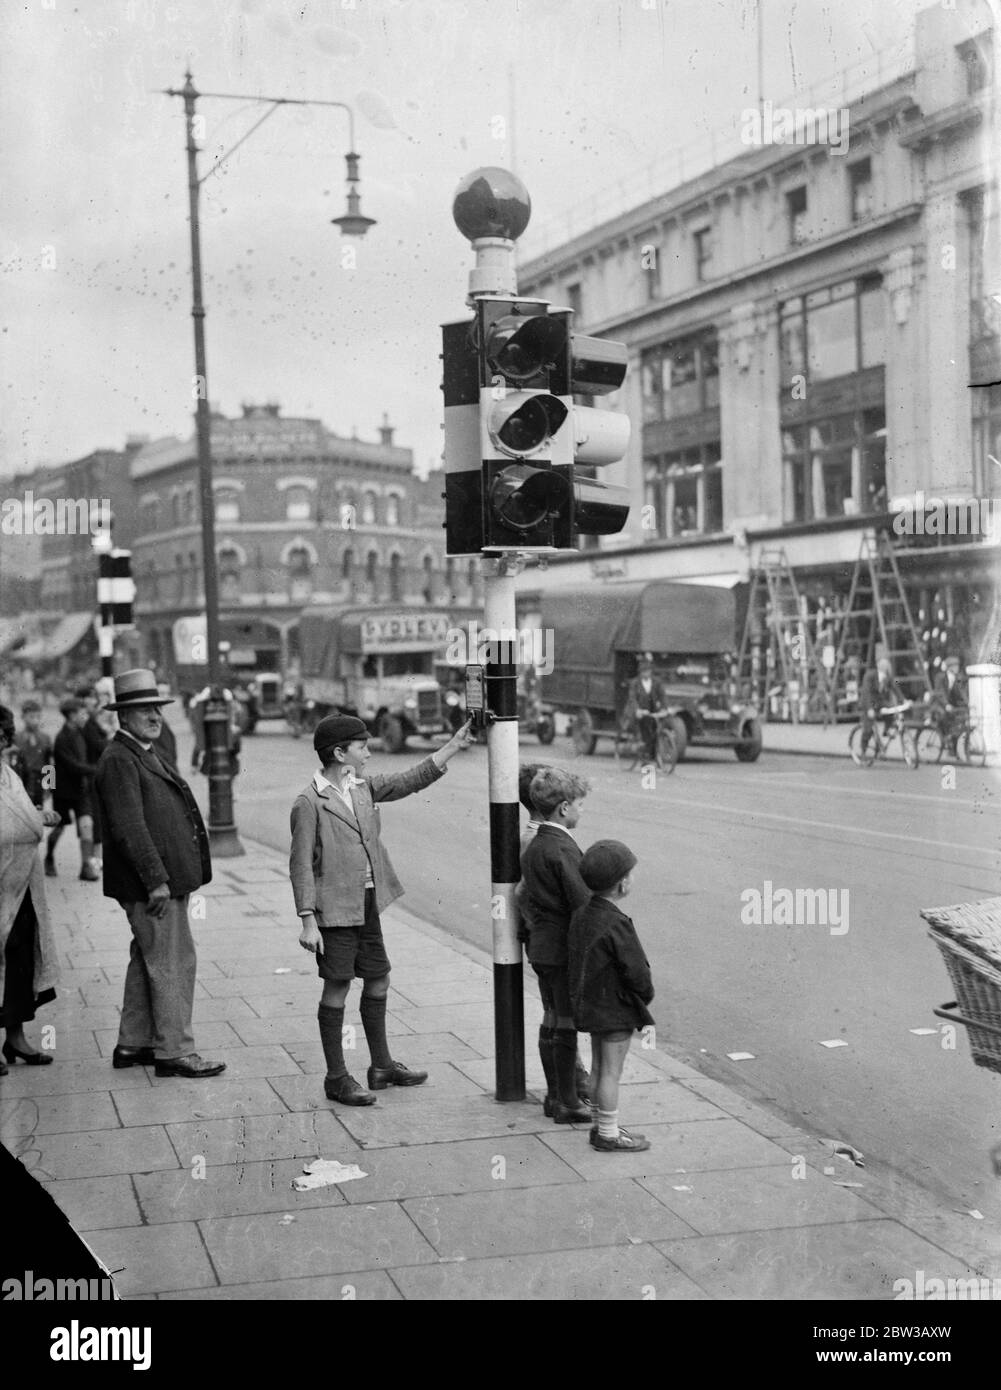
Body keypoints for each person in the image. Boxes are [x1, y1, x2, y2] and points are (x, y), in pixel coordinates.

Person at [290, 712, 475, 1105]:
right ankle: (337, 1077)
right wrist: (308, 921)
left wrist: (455, 745)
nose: (369, 753)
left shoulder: (362, 788)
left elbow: (409, 780)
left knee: (379, 979)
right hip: (334, 911)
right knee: (338, 985)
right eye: (362, 747)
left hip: (367, 903)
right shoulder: (310, 802)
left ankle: (382, 1066)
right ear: (340, 753)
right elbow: (301, 864)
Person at [95, 669, 224, 1079]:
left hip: (159, 882)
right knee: (173, 961)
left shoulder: (139, 751)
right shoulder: (120, 759)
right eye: (142, 709)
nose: (154, 714)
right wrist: (155, 879)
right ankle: (175, 1052)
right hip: (150, 885)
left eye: (156, 707)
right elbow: (129, 826)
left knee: (146, 958)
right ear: (123, 717)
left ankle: (134, 1043)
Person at [568, 840, 654, 1153]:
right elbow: (637, 973)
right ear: (622, 883)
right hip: (615, 1010)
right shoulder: (617, 923)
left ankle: (599, 1125)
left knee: (598, 1066)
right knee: (611, 1073)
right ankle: (607, 1133)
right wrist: (645, 995)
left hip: (591, 1006)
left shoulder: (580, 915)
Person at [520, 766, 594, 1125]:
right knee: (565, 1022)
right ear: (563, 807)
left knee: (551, 1018)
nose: (582, 810)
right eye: (579, 804)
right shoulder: (562, 847)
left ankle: (554, 1096)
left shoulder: (537, 843)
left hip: (541, 946)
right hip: (561, 947)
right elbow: (581, 901)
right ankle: (568, 1101)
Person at [0, 704, 61, 1074]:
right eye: (31, 715)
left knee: (21, 954)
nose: (35, 720)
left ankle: (15, 1036)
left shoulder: (45, 742)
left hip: (34, 806)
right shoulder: (19, 747)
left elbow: (50, 770)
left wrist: (47, 801)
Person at [46, 698, 99, 881]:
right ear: (71, 716)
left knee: (87, 826)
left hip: (81, 790)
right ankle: (49, 857)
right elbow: (73, 766)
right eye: (81, 713)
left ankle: (86, 867)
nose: (85, 716)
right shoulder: (61, 739)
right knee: (59, 827)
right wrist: (95, 769)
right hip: (63, 792)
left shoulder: (82, 733)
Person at [76, 685, 108, 872]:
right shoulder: (87, 724)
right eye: (90, 698)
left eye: (94, 697)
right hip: (89, 776)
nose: (94, 701)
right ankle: (91, 862)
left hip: (94, 774)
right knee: (92, 820)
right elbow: (97, 744)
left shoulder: (92, 721)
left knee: (95, 819)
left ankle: (95, 860)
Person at [624, 653, 668, 763]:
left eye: (648, 671)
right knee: (643, 730)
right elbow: (632, 698)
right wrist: (637, 710)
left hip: (652, 710)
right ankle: (643, 750)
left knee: (657, 728)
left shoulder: (657, 682)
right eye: (644, 671)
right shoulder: (635, 683)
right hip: (638, 710)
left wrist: (664, 708)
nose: (646, 673)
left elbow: (663, 696)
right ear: (640, 672)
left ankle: (654, 755)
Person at [859, 657, 906, 754]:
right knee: (868, 728)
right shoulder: (870, 675)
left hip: (879, 701)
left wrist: (904, 700)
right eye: (885, 670)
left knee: (891, 709)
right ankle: (863, 748)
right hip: (868, 703)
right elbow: (866, 692)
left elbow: (895, 687)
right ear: (879, 668)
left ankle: (887, 730)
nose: (886, 673)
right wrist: (869, 709)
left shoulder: (887, 677)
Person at [13, 699, 52, 810]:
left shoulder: (45, 738)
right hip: (21, 781)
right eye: (31, 717)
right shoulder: (16, 738)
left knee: (38, 813)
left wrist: (49, 786)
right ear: (23, 717)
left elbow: (48, 763)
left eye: (38, 717)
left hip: (39, 782)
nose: (35, 721)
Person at [933, 656, 969, 752]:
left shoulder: (958, 678)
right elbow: (940, 693)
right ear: (949, 667)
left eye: (957, 666)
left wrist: (967, 704)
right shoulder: (940, 677)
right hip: (939, 705)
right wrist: (946, 705)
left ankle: (953, 747)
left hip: (952, 706)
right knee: (944, 715)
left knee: (961, 720)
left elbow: (962, 693)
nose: (957, 668)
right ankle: (945, 737)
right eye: (955, 666)